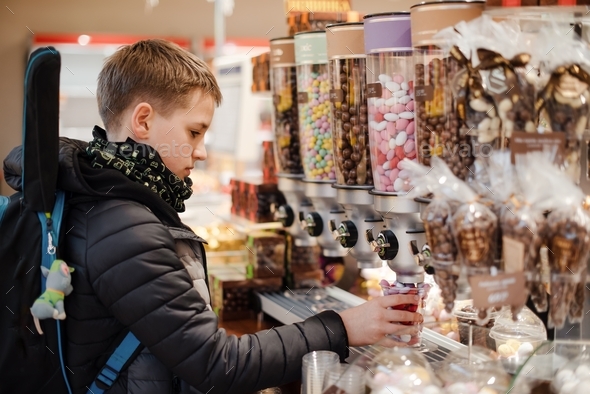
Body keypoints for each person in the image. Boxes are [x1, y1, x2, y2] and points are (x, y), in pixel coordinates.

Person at [4, 39, 423, 394]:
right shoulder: (125, 227)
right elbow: (216, 364)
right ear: (144, 120)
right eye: (194, 131)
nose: (202, 151)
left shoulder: (95, 195)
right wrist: (345, 327)